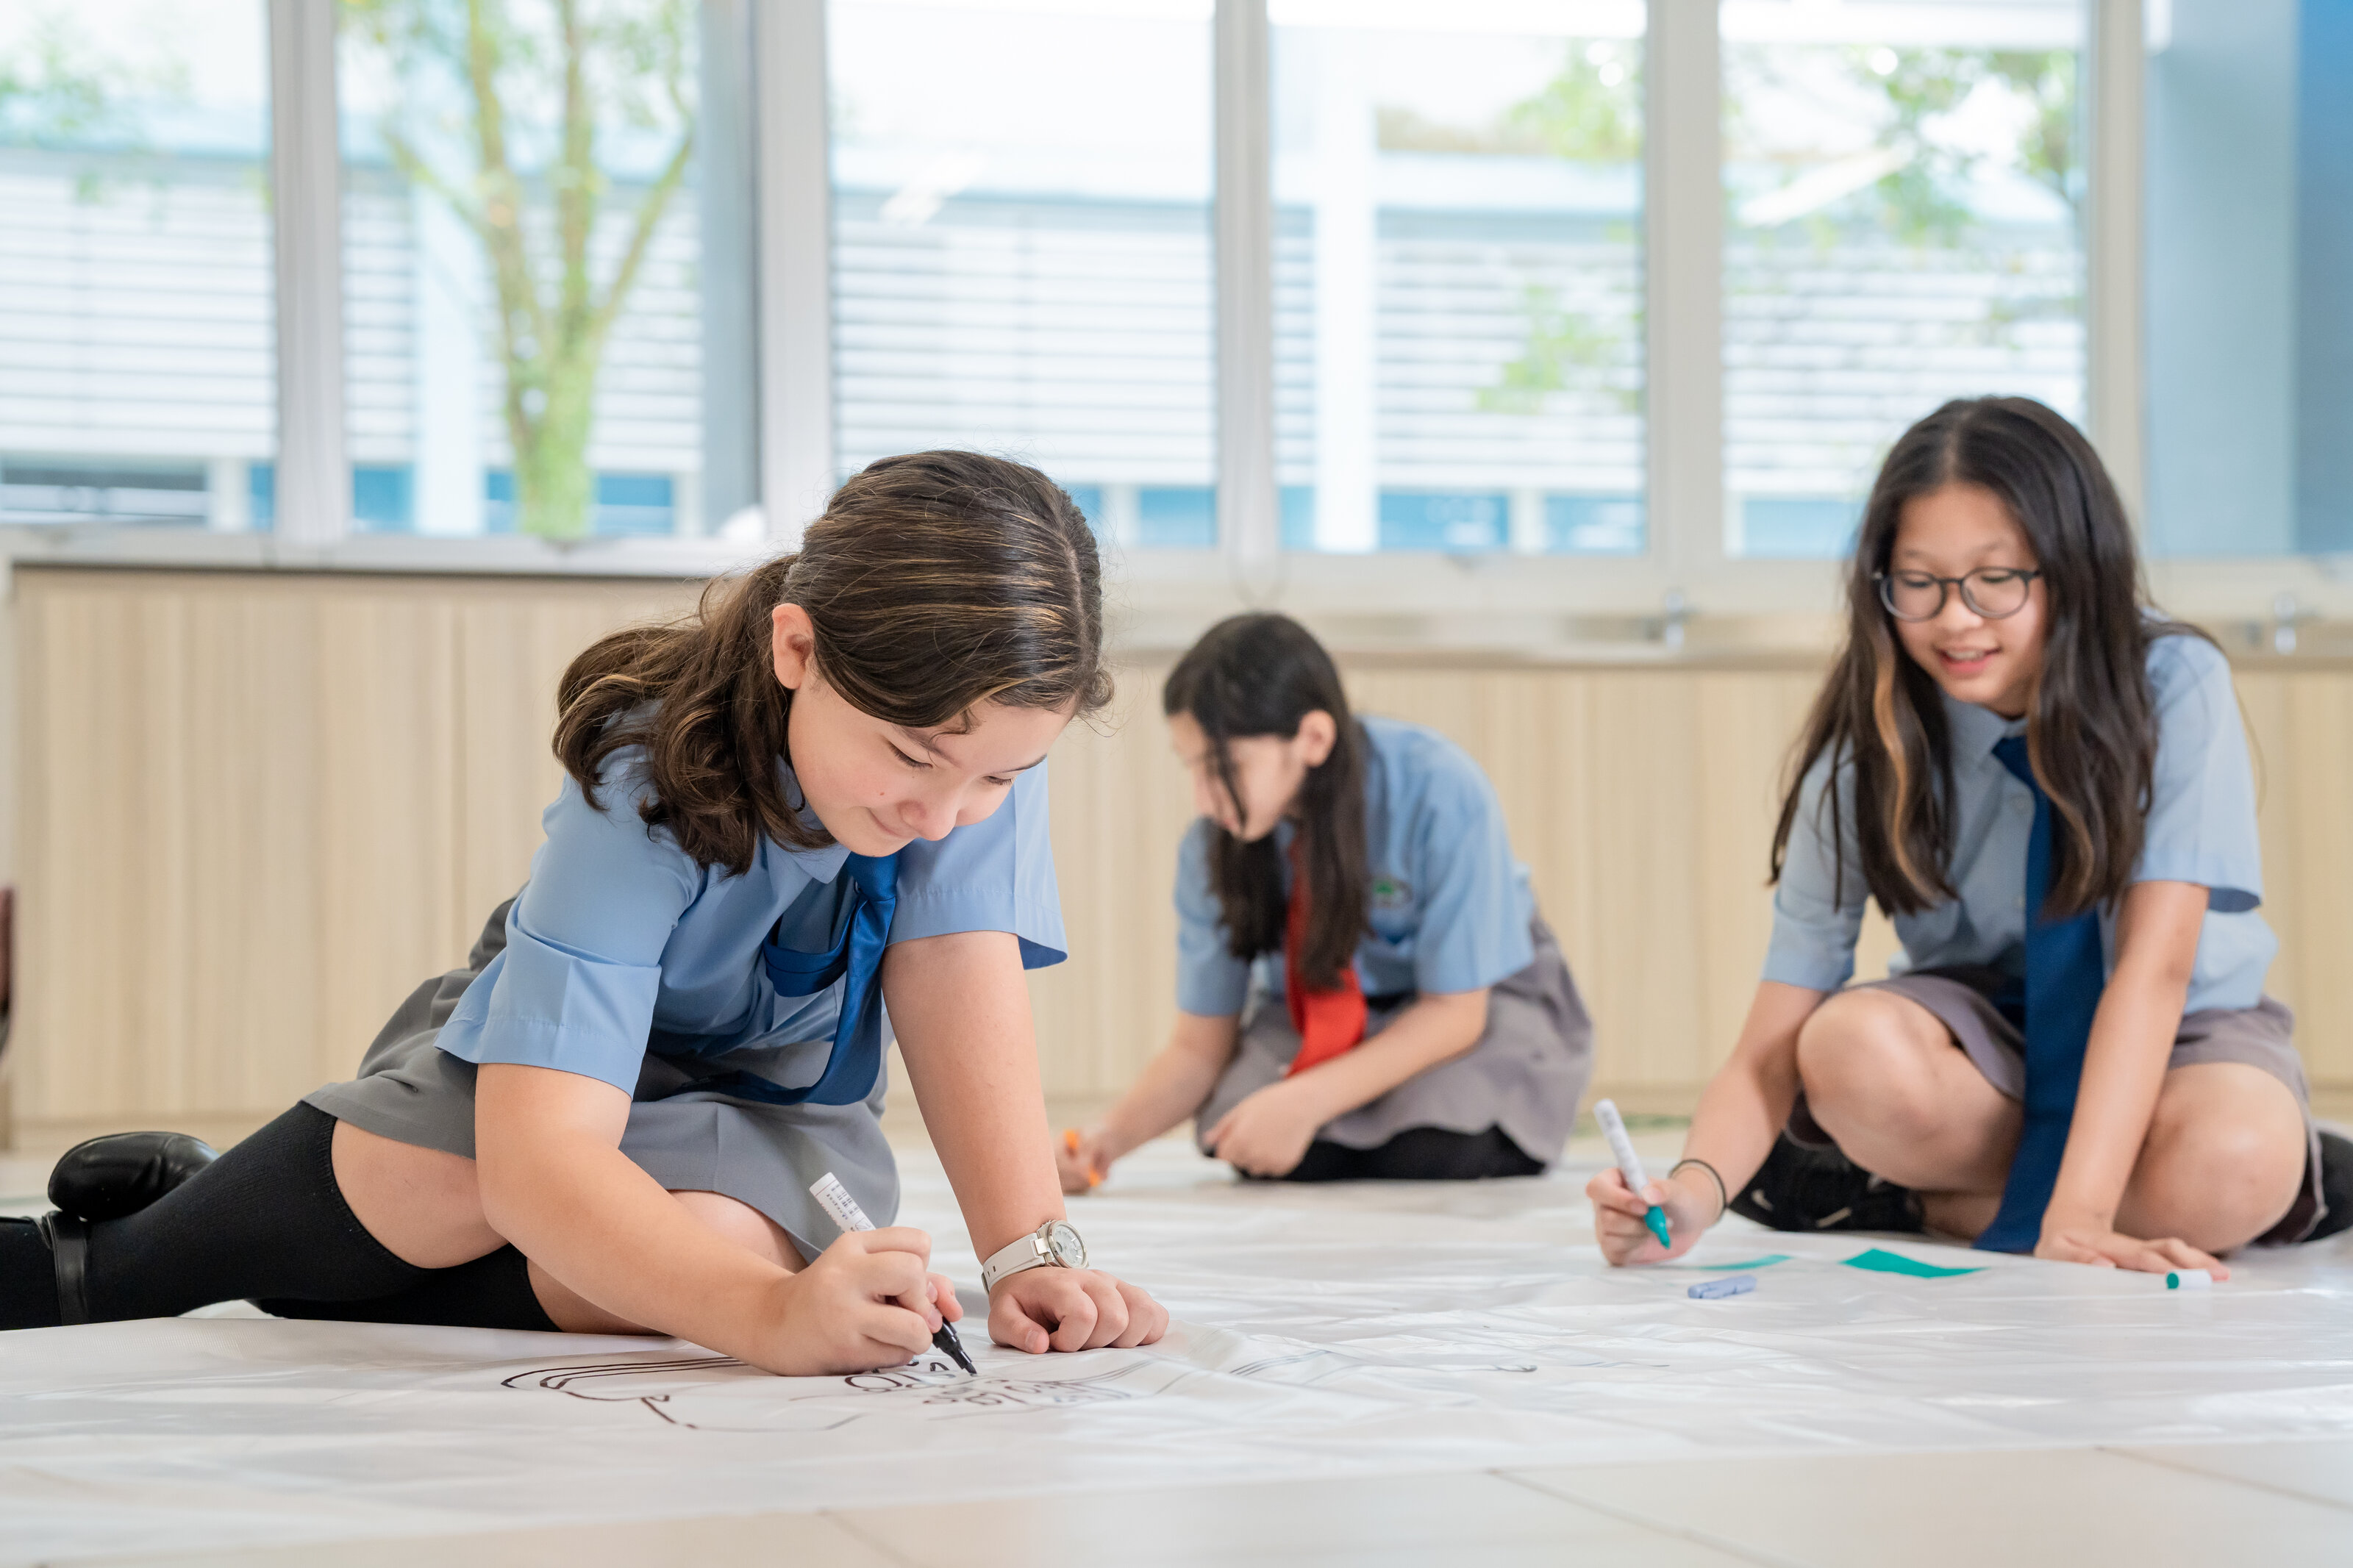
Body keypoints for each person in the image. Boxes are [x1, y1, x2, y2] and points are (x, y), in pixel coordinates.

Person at [6, 451, 1170, 1372]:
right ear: (797, 649)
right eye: (912, 758)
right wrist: (769, 1319)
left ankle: (276, 1251)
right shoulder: (651, 764)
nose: (944, 813)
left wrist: (1029, 1255)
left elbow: (956, 977)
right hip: (547, 1078)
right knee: (447, 1185)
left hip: (772, 1113)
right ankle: (118, 1261)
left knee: (709, 1254)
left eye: (998, 780)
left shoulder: (972, 744)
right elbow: (542, 1154)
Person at [1591, 396, 2349, 1274]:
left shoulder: (2171, 682)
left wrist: (2079, 1220)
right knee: (1843, 1045)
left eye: (1996, 578)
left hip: (2179, 1032)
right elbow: (1772, 1037)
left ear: (2074, 570)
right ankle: (2036, 1190)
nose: (1955, 619)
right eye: (1917, 582)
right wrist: (1691, 1195)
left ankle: (1920, 1201)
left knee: (2235, 1163)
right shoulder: (1871, 742)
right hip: (1985, 1039)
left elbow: (2153, 972)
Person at [1058, 613, 1591, 1189]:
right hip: (1315, 1007)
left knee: (1431, 1146)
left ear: (1313, 738)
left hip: (1470, 1001)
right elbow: (1199, 1047)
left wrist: (1308, 1099)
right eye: (1192, 767)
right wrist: (1105, 1139)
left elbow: (1456, 1012)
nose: (1203, 800)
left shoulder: (1439, 787)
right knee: (1242, 1132)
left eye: (1225, 767)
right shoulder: (1213, 845)